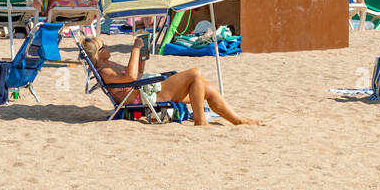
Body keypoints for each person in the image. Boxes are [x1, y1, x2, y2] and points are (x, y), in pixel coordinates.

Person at [81, 36, 261, 126]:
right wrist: (134, 49)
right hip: (145, 96)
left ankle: (238, 120)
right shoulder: (105, 70)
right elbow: (129, 78)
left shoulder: (110, 64)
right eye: (104, 46)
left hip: (146, 88)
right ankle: (200, 122)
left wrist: (141, 56)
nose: (108, 47)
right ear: (98, 53)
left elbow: (136, 73)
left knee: (207, 87)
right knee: (195, 74)